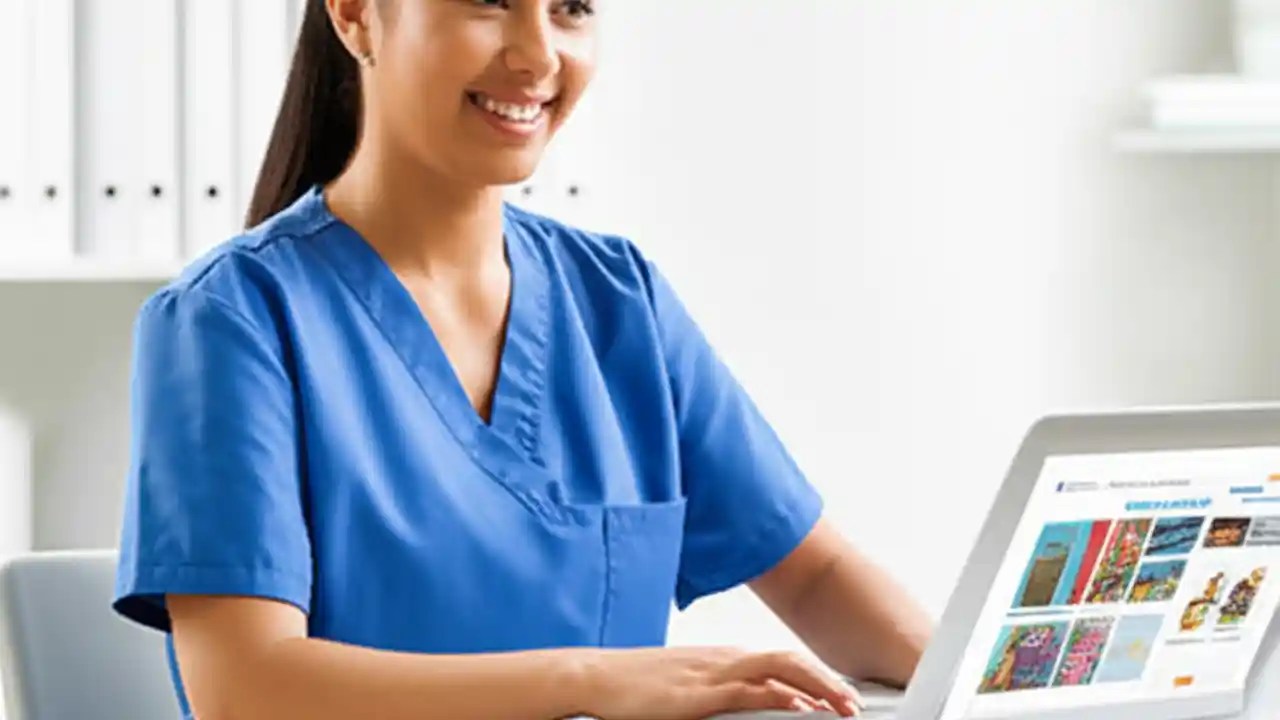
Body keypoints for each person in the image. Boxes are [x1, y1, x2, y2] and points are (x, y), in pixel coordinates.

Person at [110, 1, 932, 718]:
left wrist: (982, 683)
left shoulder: (621, 302)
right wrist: (591, 681)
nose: (539, 56)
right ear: (355, 12)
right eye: (489, 0)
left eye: (572, 6)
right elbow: (247, 690)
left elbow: (815, 573)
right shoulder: (232, 320)